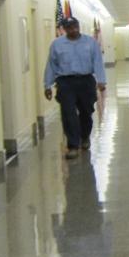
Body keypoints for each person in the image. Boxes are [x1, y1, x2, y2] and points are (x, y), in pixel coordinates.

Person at [44, 17, 107, 160]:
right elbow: (51, 65)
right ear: (64, 29)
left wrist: (101, 81)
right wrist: (47, 85)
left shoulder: (90, 43)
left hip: (86, 81)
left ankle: (84, 137)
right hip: (65, 82)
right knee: (68, 113)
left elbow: (98, 62)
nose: (73, 30)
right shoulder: (57, 44)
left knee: (86, 111)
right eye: (70, 28)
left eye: (75, 27)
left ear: (79, 26)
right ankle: (72, 145)